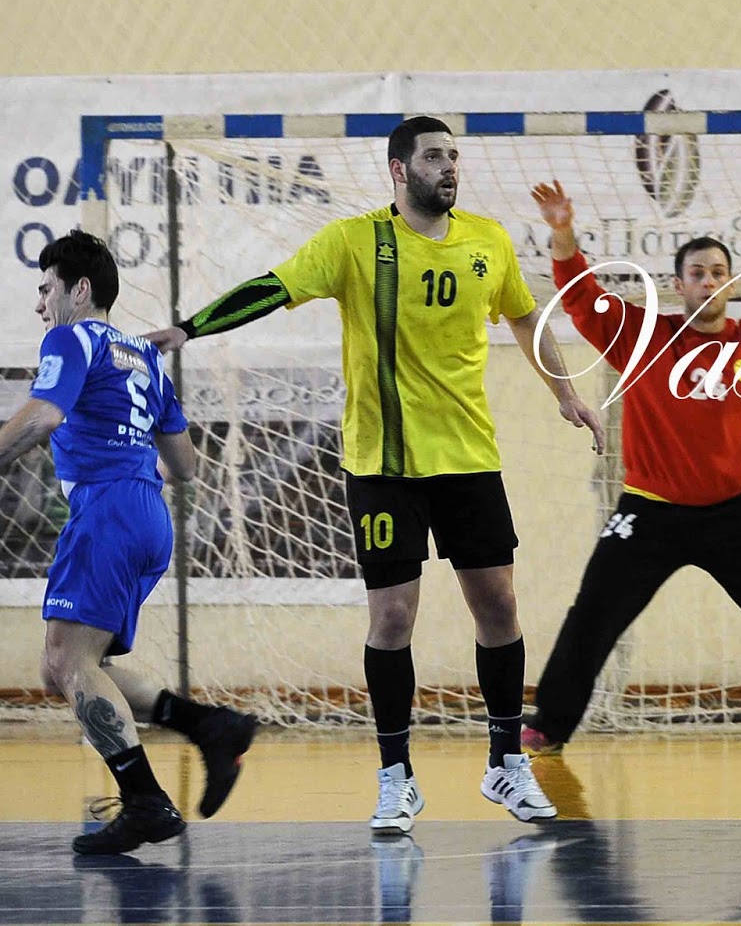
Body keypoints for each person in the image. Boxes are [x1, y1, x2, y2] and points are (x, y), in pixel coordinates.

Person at [145, 117, 604, 835]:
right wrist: (188, 330)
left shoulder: (488, 240)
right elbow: (272, 286)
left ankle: (505, 763)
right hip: (382, 464)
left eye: (454, 155)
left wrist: (566, 392)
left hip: (468, 459)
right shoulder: (354, 242)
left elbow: (524, 317)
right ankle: (395, 778)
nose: (449, 166)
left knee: (500, 608)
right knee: (392, 618)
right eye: (433, 156)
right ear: (399, 169)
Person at [518, 180, 741, 761]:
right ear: (679, 284)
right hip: (648, 510)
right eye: (697, 272)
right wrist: (562, 232)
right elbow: (583, 299)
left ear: (731, 282)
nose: (708, 281)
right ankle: (549, 727)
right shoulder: (643, 336)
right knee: (591, 617)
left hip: (735, 513)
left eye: (718, 271)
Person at [0, 230, 257, 855]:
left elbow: (43, 416)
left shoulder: (71, 337)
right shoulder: (143, 358)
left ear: (78, 288)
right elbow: (187, 464)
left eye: (45, 289)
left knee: (67, 664)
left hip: (108, 511)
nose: (40, 306)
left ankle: (145, 802)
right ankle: (209, 725)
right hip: (148, 514)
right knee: (86, 664)